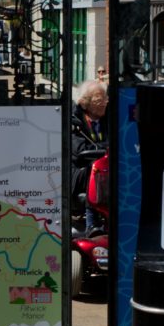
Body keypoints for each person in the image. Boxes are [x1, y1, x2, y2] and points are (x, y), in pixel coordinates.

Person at [71, 79, 108, 233]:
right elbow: (80, 151)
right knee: (95, 168)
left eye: (105, 99)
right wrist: (106, 147)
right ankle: (91, 222)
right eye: (100, 99)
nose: (105, 102)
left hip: (106, 168)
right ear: (86, 102)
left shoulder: (110, 118)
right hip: (80, 171)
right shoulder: (74, 121)